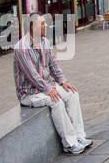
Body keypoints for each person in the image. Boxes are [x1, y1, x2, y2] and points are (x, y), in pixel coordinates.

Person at [14, 13, 91, 154]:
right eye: (42, 24)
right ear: (32, 27)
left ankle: (80, 136)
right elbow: (32, 75)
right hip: (30, 93)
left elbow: (53, 64)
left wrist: (62, 81)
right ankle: (70, 143)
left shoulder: (44, 41)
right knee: (56, 101)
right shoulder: (21, 48)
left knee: (72, 93)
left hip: (45, 87)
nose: (46, 26)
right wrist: (49, 89)